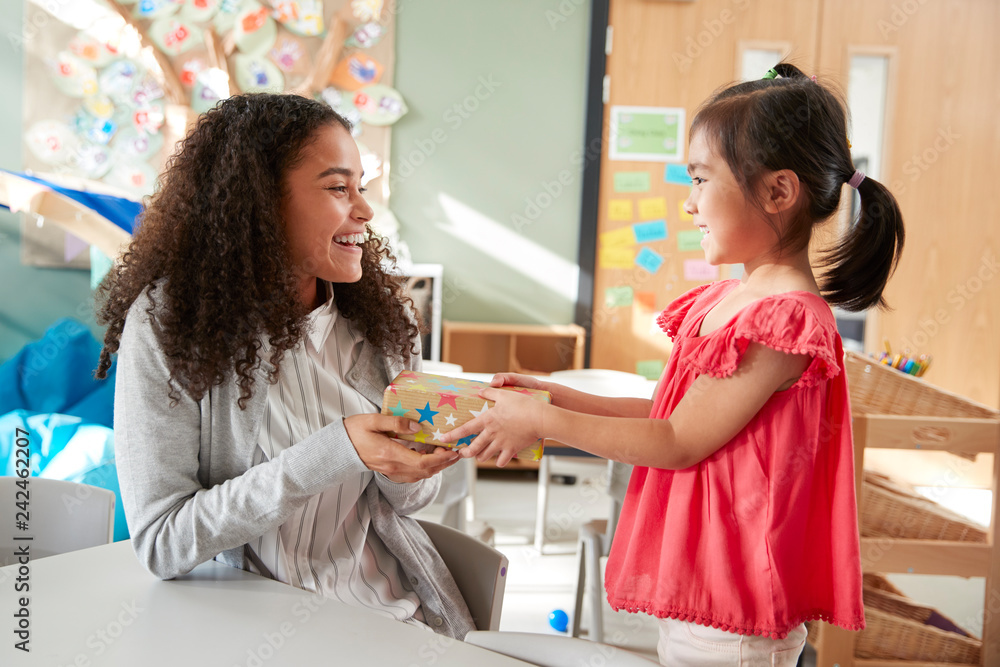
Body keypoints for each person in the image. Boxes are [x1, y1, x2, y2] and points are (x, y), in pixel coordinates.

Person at [443, 63, 904, 665]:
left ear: (778, 192)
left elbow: (678, 441)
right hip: (704, 587)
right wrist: (552, 397)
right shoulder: (730, 299)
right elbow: (666, 413)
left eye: (700, 179)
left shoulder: (785, 321)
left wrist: (542, 423)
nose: (687, 204)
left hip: (736, 607)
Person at [95, 93, 474, 638]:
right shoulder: (170, 324)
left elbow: (408, 505)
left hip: (385, 621)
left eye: (361, 187)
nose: (364, 211)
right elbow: (163, 542)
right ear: (259, 202)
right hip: (237, 634)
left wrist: (409, 463)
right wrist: (339, 448)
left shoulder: (385, 324)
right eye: (338, 187)